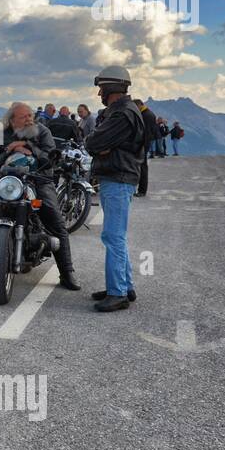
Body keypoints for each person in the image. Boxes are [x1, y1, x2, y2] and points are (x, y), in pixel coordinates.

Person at [0, 101, 81, 292]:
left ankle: (66, 274)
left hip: (38, 180)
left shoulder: (42, 131)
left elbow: (49, 159)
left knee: (56, 223)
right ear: (12, 119)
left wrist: (27, 146)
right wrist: (10, 149)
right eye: (24, 117)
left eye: (30, 115)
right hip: (7, 182)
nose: (29, 119)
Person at [84, 65, 146, 312]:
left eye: (101, 88)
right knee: (116, 235)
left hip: (118, 178)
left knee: (113, 236)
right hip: (118, 176)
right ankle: (124, 286)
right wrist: (100, 145)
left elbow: (93, 142)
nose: (99, 93)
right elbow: (98, 143)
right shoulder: (123, 111)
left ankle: (117, 293)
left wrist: (97, 144)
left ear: (111, 87)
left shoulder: (121, 114)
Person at [134, 98, 156, 194]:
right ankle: (141, 189)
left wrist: (141, 145)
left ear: (139, 105)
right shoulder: (148, 113)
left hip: (144, 143)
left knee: (142, 167)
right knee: (141, 166)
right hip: (145, 143)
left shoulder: (146, 115)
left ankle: (142, 190)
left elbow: (146, 132)